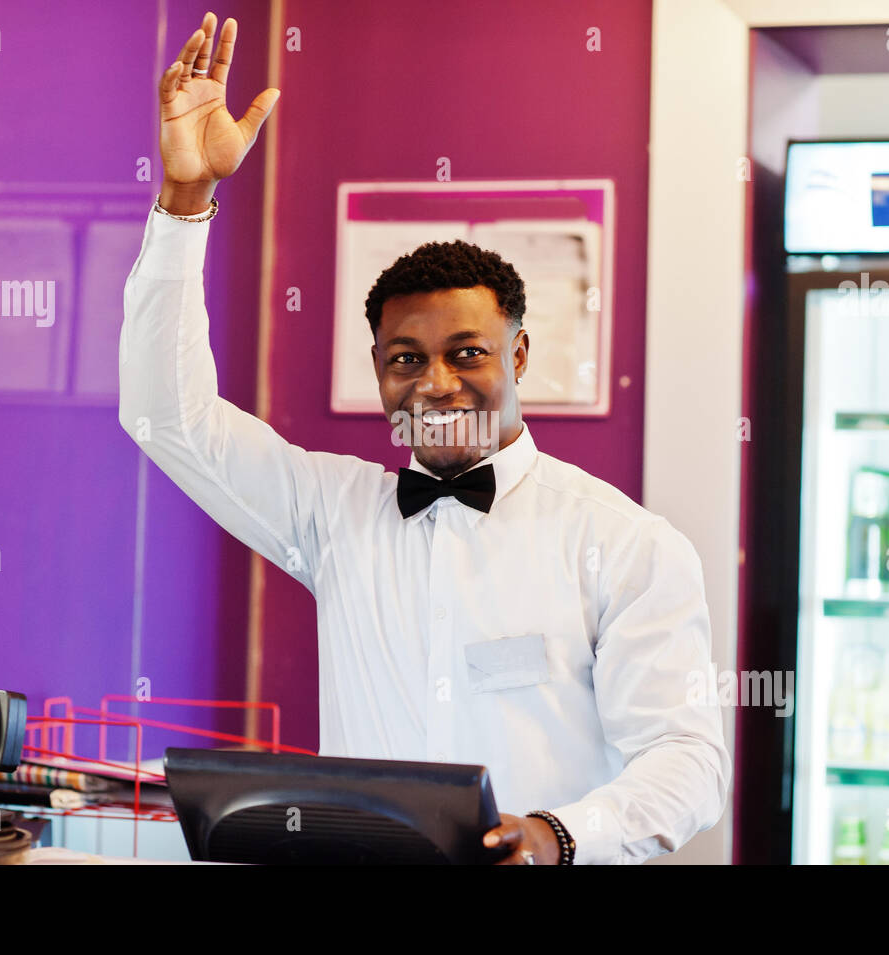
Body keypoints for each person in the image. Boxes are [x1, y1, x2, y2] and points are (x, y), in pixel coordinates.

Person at [119, 12, 730, 864]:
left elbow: (688, 760)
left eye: (466, 353)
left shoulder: (625, 544)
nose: (435, 381)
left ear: (519, 353)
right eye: (406, 358)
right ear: (377, 368)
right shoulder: (332, 512)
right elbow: (166, 415)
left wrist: (558, 833)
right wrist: (186, 203)